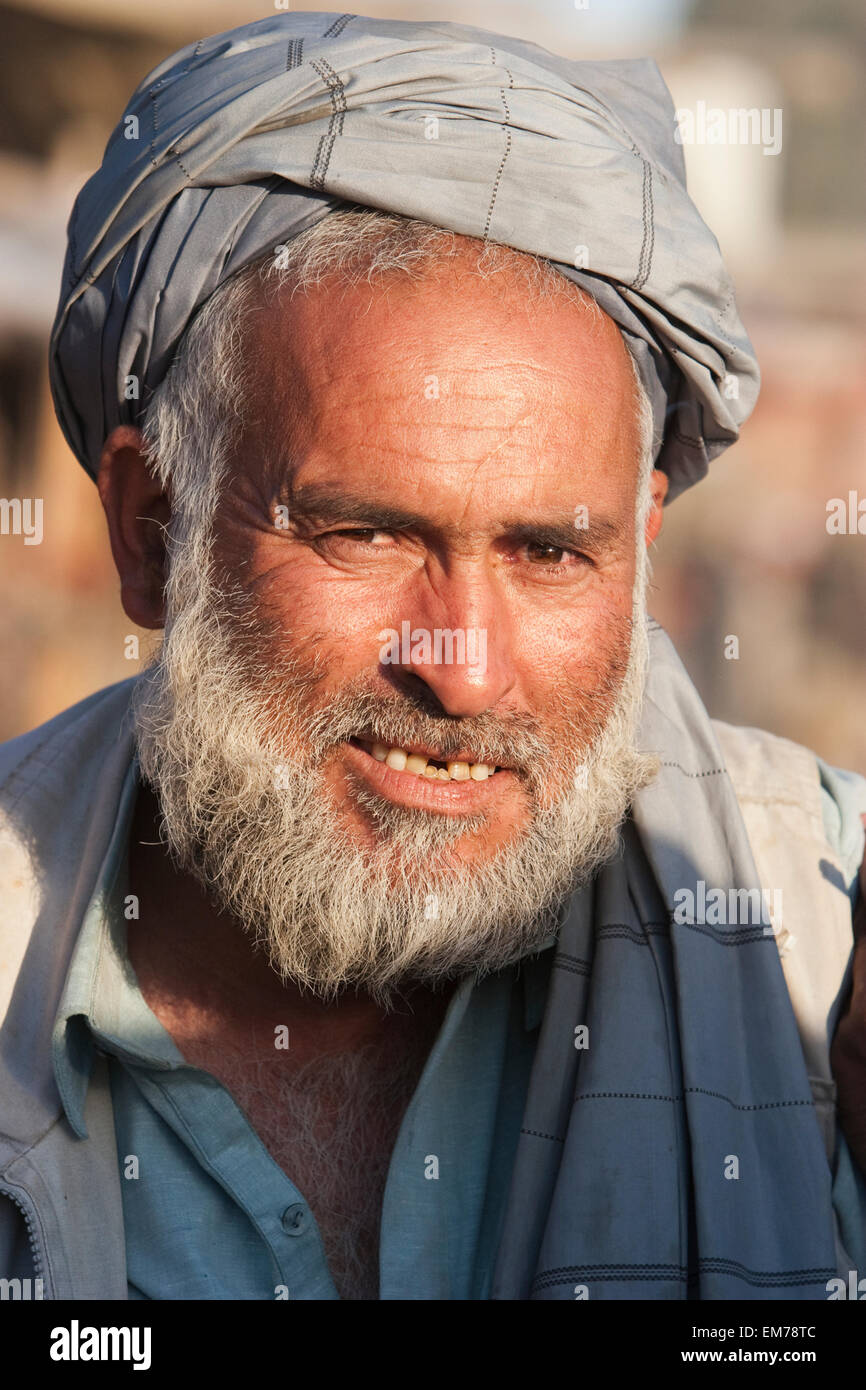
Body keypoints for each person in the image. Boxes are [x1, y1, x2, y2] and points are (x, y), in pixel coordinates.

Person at [1, 12, 865, 1302]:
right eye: (364, 534)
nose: (461, 669)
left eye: (551, 554)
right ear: (151, 530)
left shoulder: (818, 940)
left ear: (642, 544)